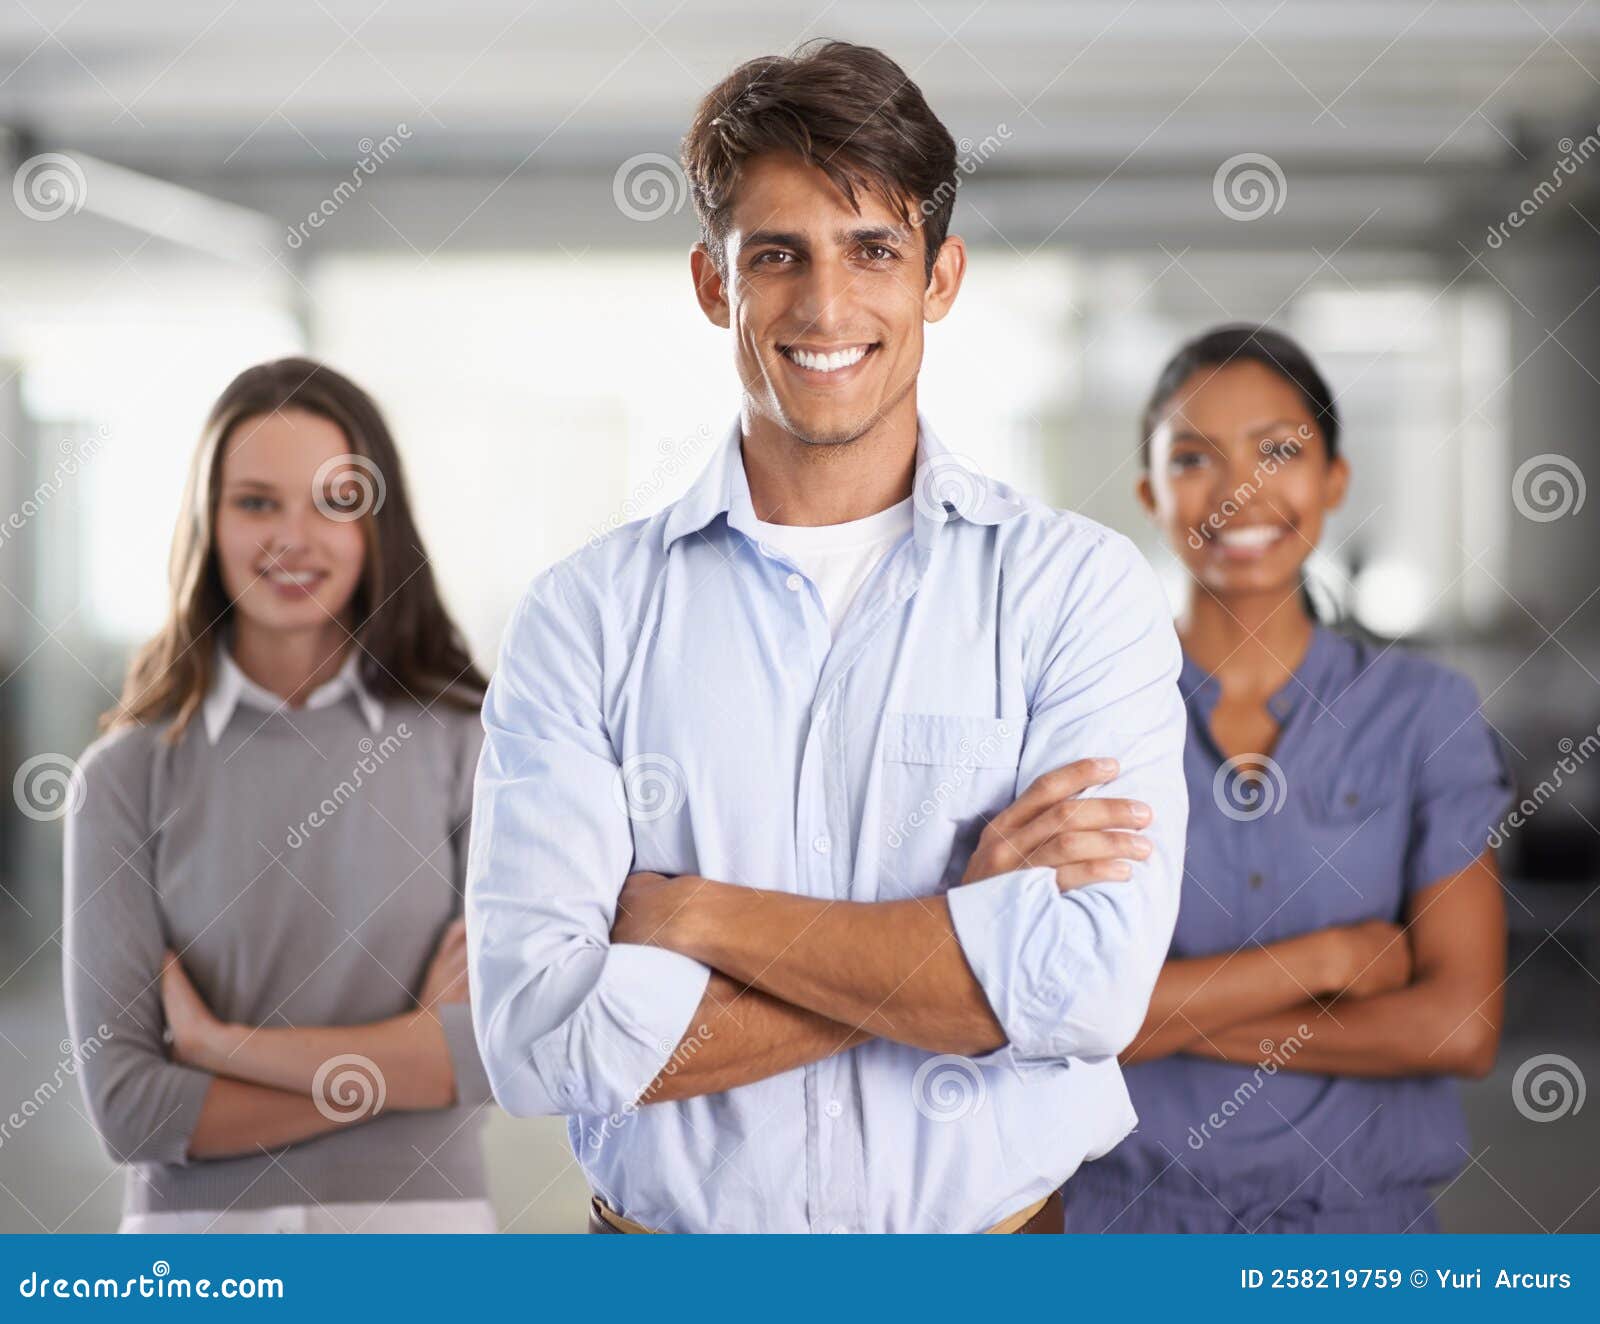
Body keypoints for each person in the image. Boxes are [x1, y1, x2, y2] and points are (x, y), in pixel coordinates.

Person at [466, 39, 1188, 1235]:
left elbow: (1085, 994)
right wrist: (957, 940)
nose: (824, 305)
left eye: (872, 250)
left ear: (940, 276)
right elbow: (541, 1041)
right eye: (776, 254)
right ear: (713, 285)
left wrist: (702, 916)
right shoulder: (582, 618)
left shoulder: (1076, 592)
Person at [1063, 324, 1513, 1234]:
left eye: (1278, 451)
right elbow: (1049, 1010)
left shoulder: (1426, 713)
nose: (1241, 492)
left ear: (1335, 479)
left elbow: (1457, 1028)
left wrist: (1149, 1026)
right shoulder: (1087, 714)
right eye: (1195, 458)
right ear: (1150, 494)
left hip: (1360, 1240)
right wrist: (1326, 962)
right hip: (1126, 1234)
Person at [64, 357, 496, 1233]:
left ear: (378, 526)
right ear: (207, 522)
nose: (293, 538)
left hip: (422, 1240)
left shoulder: (472, 749)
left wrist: (219, 1049)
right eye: (257, 503)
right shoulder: (124, 777)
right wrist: (407, 1066)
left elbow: (492, 1060)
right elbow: (130, 1111)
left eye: (335, 502)